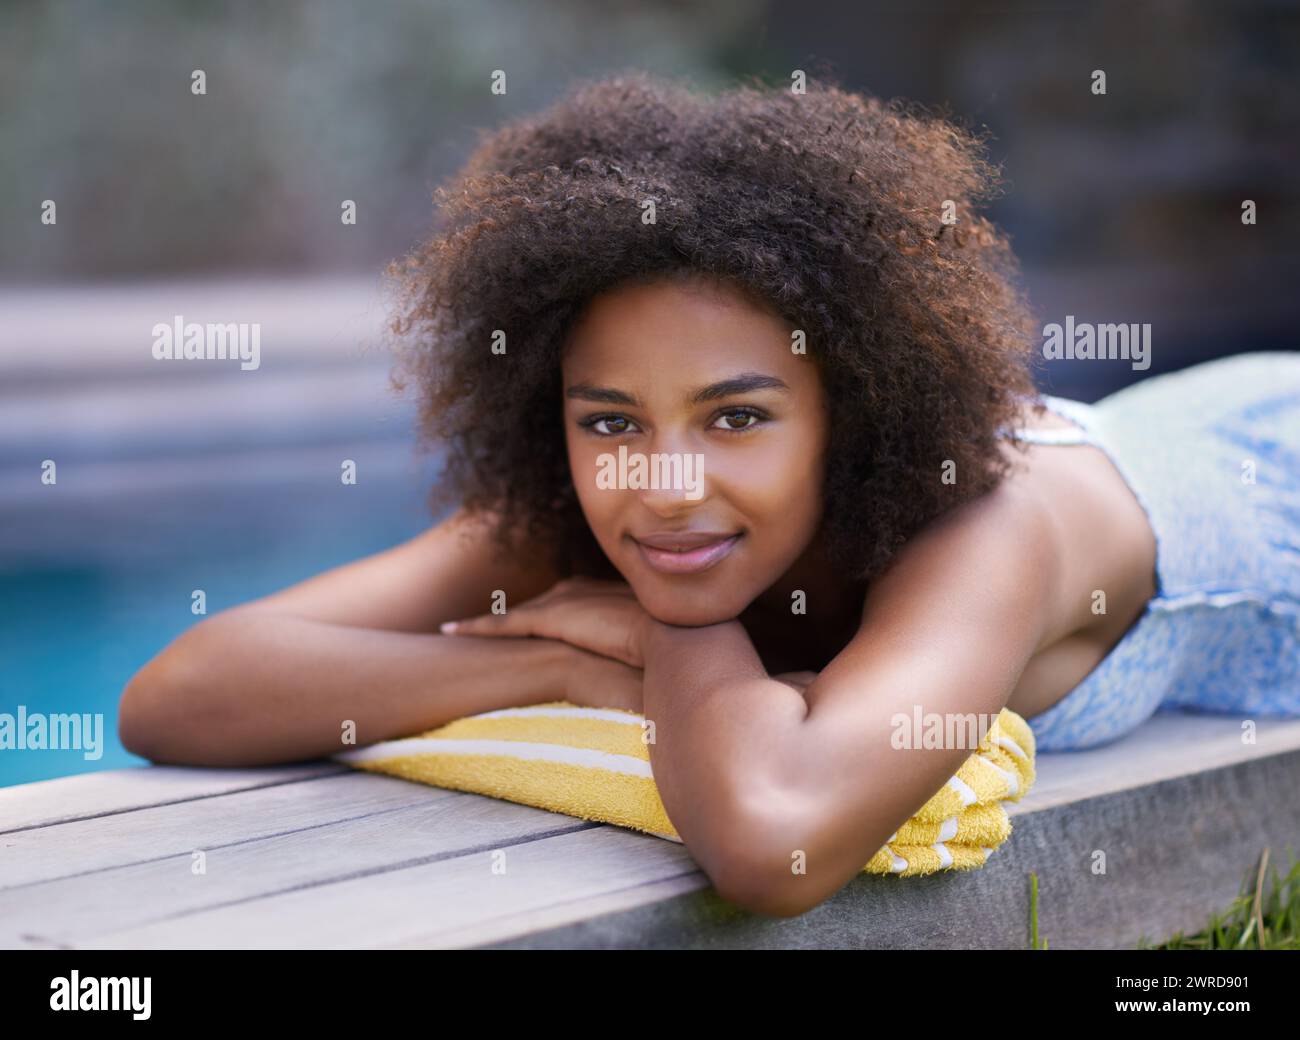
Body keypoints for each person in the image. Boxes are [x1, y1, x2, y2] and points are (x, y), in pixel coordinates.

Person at [118, 72, 1300, 917]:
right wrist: (563, 663)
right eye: (610, 419)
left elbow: (772, 842)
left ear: (853, 408)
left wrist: (671, 631)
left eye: (737, 416)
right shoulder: (591, 503)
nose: (666, 487)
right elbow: (180, 693)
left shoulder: (988, 527)